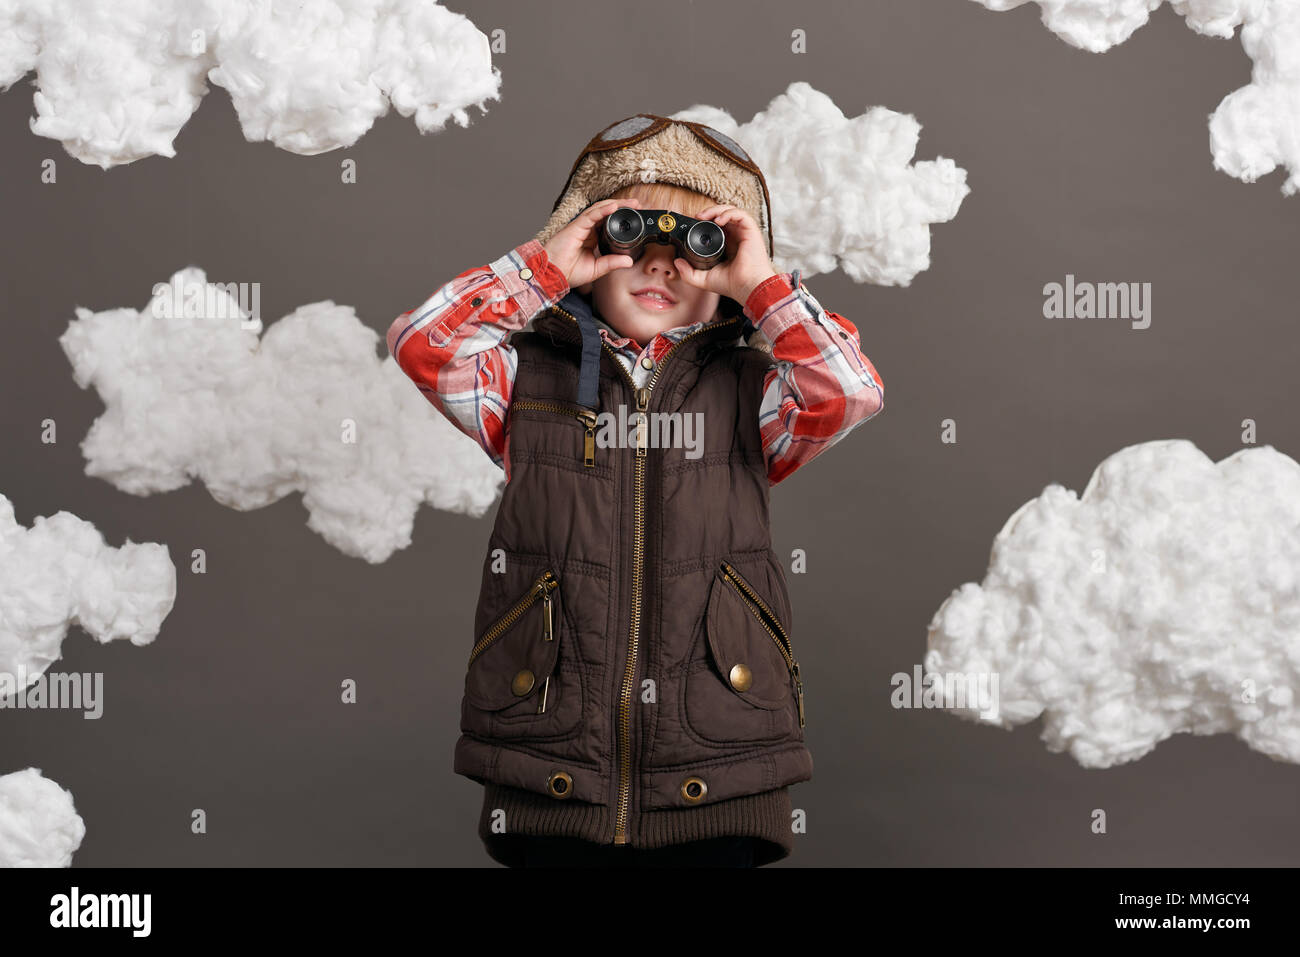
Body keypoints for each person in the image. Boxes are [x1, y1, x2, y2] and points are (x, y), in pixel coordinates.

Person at [387, 114, 885, 867]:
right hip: (549, 754)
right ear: (591, 247)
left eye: (692, 249)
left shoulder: (753, 392)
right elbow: (424, 344)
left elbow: (849, 390)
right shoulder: (528, 378)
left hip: (719, 762)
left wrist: (759, 285)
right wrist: (545, 268)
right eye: (631, 241)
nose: (661, 266)